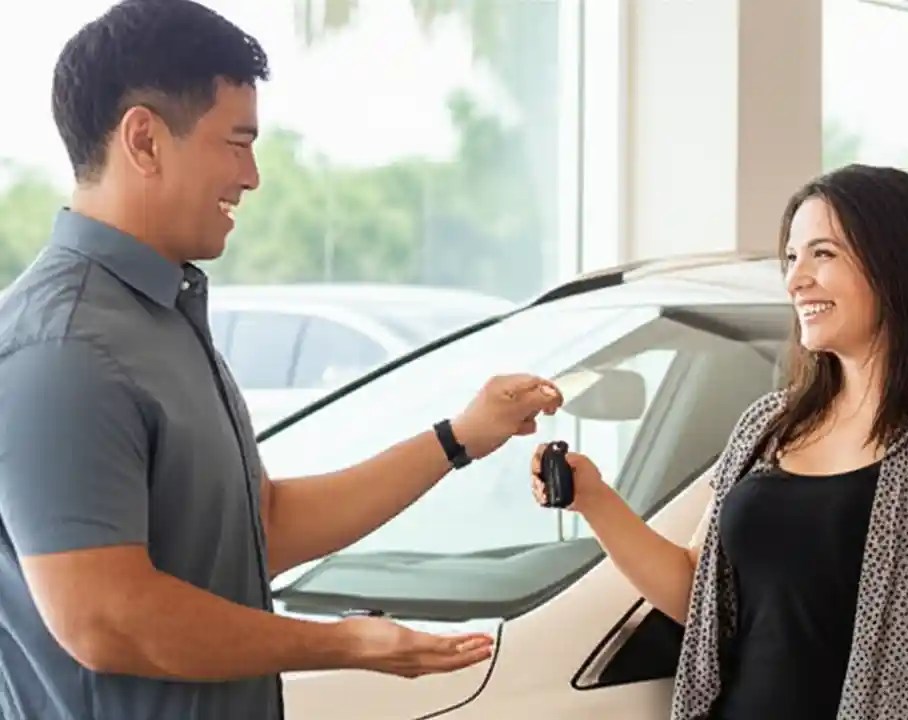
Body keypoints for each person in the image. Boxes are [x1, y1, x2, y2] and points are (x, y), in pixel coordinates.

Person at [0, 2, 563, 719]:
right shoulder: (62, 348)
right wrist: (347, 645)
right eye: (236, 142)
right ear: (144, 139)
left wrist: (459, 437)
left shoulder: (162, 315)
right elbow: (105, 619)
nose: (254, 176)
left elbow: (262, 526)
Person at [530, 164, 908, 719]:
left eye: (823, 254)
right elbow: (698, 596)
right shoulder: (766, 425)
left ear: (894, 265)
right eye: (792, 258)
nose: (796, 280)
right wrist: (593, 498)